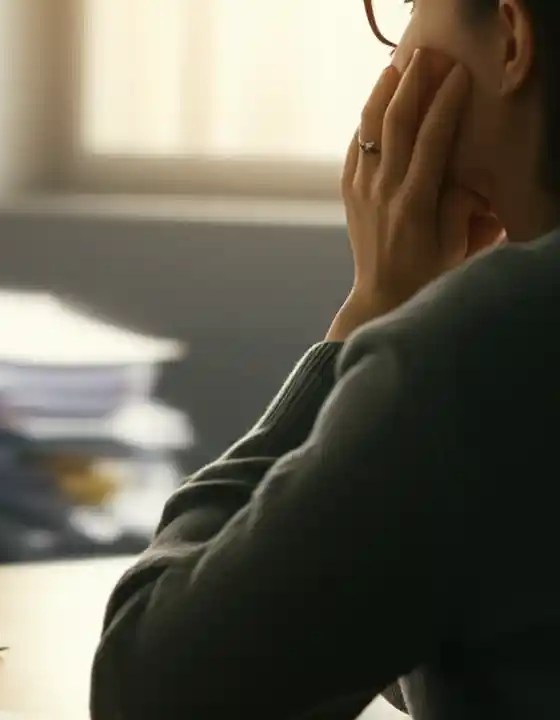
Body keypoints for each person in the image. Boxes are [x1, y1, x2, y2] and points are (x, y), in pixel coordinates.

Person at [90, 0, 560, 718]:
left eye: (409, 7)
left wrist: (373, 309)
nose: (395, 52)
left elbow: (149, 690)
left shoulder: (490, 345)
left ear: (510, 36)